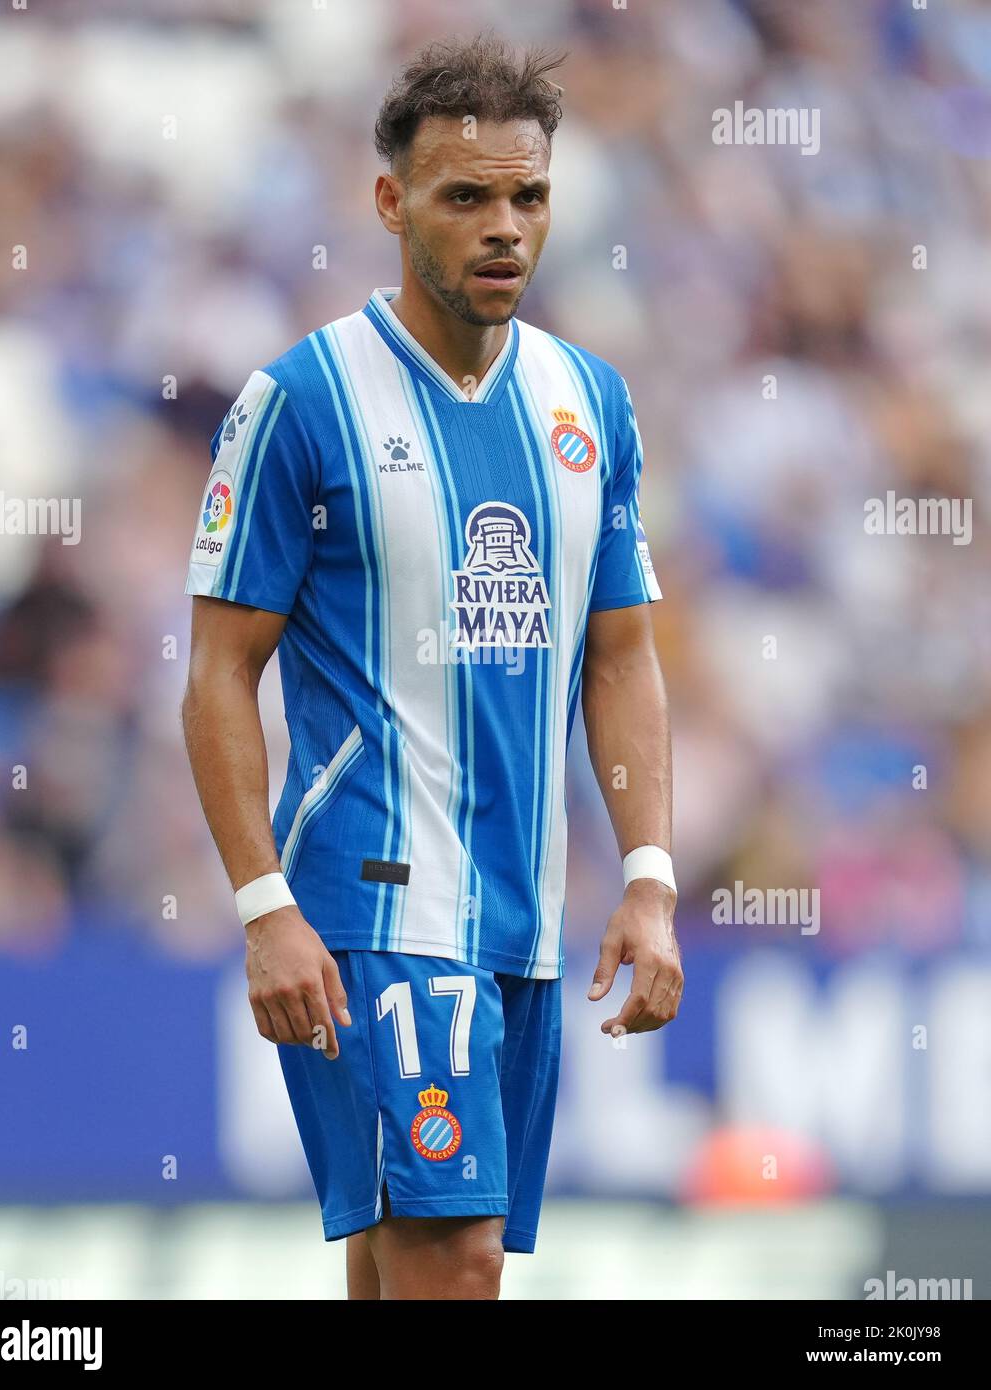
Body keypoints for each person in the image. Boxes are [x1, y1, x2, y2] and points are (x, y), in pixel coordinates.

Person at [181, 32, 681, 1301]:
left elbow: (618, 655)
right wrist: (261, 905)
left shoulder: (589, 405)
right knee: (454, 1262)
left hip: (521, 910)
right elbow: (216, 671)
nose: (504, 226)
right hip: (372, 899)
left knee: (405, 1258)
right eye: (466, 197)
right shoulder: (302, 400)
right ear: (393, 203)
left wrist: (647, 874)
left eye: (528, 197)